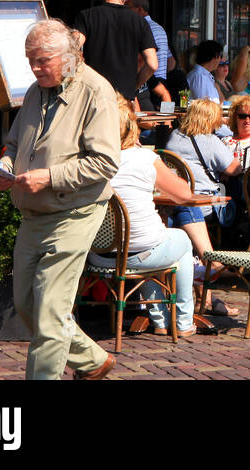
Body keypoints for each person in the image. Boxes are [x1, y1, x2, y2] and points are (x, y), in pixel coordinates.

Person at [0, 19, 121, 380]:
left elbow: (106, 162)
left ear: (69, 57)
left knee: (50, 311)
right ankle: (92, 360)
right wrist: (4, 167)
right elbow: (15, 144)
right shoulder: (35, 91)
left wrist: (50, 177)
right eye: (29, 59)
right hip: (33, 212)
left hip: (74, 212)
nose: (34, 68)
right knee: (27, 305)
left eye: (42, 60)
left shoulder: (97, 91)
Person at [90, 96, 208, 337]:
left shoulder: (89, 161)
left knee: (154, 244)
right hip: (141, 254)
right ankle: (183, 322)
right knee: (181, 243)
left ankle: (161, 320)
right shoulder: (144, 158)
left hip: (99, 255)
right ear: (131, 127)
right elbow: (184, 194)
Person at [165, 98, 242, 313]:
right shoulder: (210, 141)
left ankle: (206, 298)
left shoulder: (173, 138)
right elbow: (234, 169)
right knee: (191, 207)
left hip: (171, 203)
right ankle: (210, 269)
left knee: (183, 211)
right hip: (204, 204)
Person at [73, 0, 158, 101]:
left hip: (94, 95)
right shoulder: (140, 23)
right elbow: (152, 64)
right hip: (124, 99)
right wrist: (134, 85)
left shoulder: (87, 16)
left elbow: (71, 48)